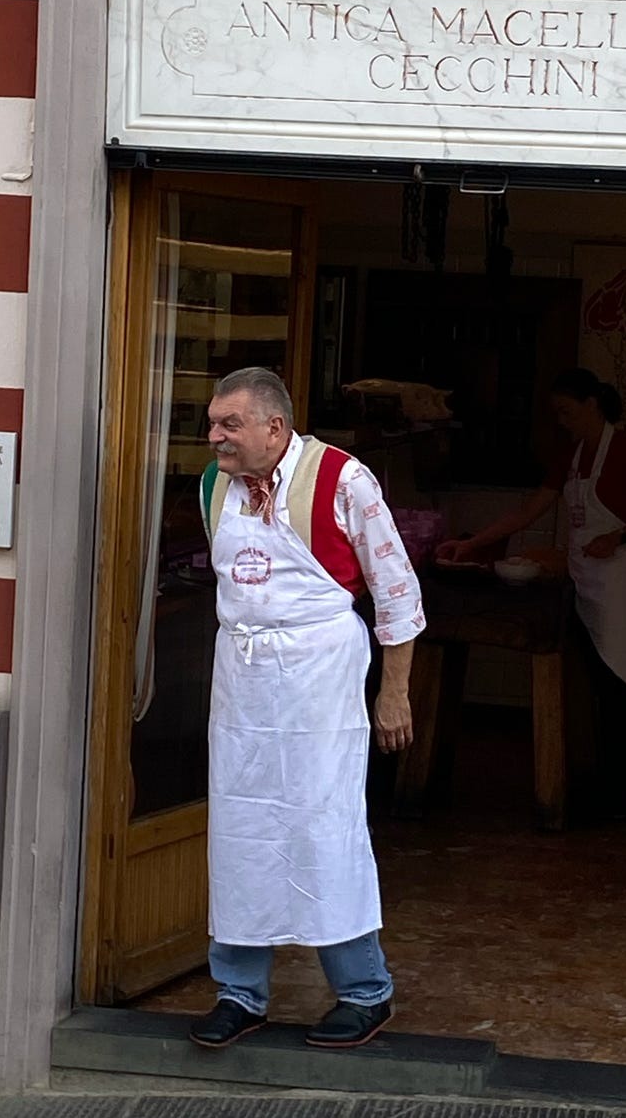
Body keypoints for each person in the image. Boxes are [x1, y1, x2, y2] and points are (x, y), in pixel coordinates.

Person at [189, 366, 425, 1052]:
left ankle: (364, 989)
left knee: (325, 828)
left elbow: (398, 594)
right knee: (240, 827)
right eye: (212, 423)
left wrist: (394, 690)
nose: (214, 438)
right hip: (242, 679)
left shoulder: (343, 480)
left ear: (274, 425)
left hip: (320, 677)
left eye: (228, 424)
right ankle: (239, 989)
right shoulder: (213, 487)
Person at [437, 369, 626, 820]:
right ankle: (611, 784)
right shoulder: (570, 455)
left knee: (619, 683)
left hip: (620, 582)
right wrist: (470, 544)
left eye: (567, 412)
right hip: (584, 579)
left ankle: (621, 795)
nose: (562, 421)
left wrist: (622, 537)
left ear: (592, 404)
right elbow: (529, 511)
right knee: (597, 685)